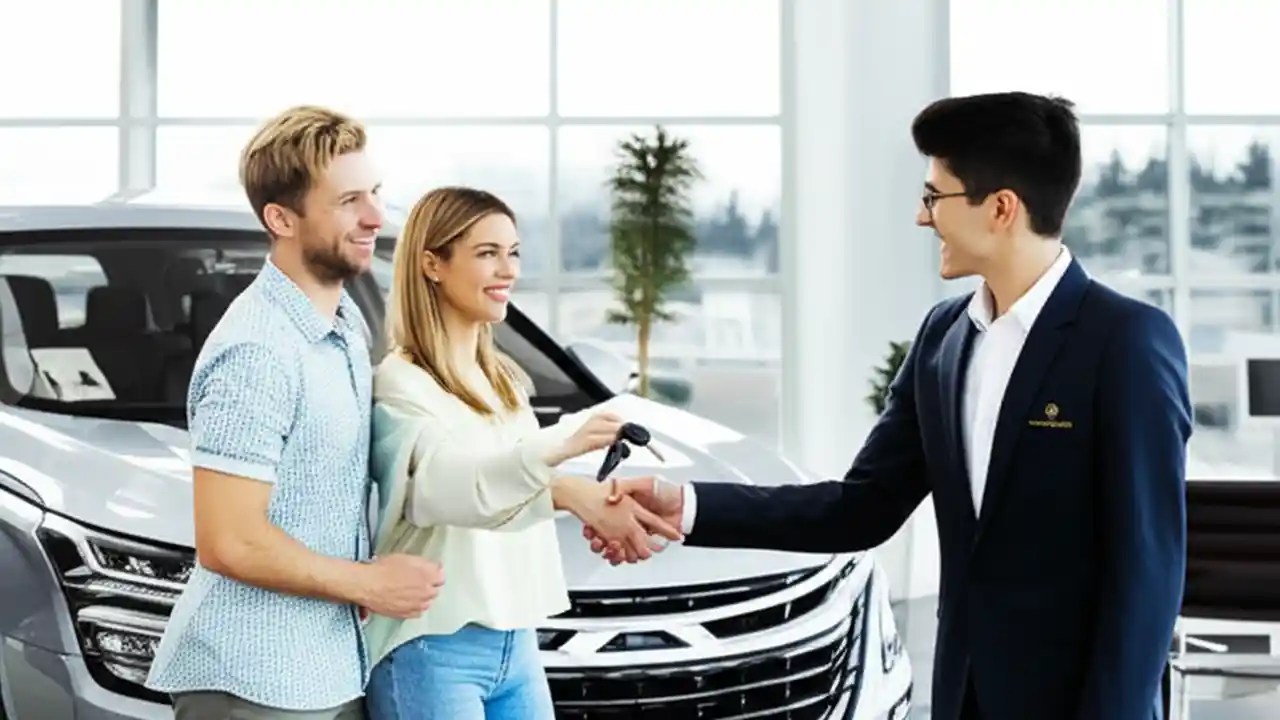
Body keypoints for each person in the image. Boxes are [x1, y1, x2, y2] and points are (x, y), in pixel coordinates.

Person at [589, 92, 1191, 720]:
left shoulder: (1125, 342)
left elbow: (1147, 571)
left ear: (1002, 208)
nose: (921, 216)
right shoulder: (943, 339)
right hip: (961, 697)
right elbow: (860, 508)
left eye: (935, 196)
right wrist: (685, 504)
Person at [145, 105, 444, 720]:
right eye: (348, 201)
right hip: (253, 680)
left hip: (326, 667)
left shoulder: (343, 323)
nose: (375, 217)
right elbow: (229, 541)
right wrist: (367, 583)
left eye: (376, 193)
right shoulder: (257, 349)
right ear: (280, 218)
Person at [361, 186, 682, 720]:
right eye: (487, 253)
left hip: (517, 642)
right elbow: (451, 491)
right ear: (432, 264)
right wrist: (559, 455)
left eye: (513, 253)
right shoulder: (400, 383)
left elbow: (511, 497)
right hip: (432, 648)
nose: (507, 270)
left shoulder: (504, 380)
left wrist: (588, 498)